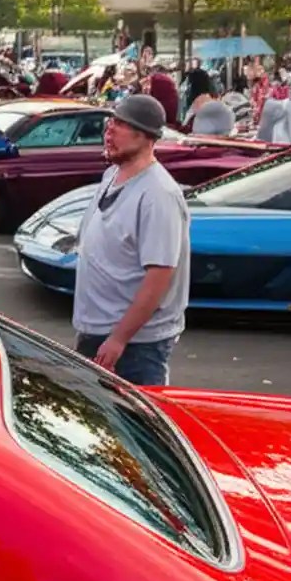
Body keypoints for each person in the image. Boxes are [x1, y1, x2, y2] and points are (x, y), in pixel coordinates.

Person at [73, 95, 190, 386]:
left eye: (121, 125)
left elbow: (159, 275)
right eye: (111, 122)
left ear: (147, 136)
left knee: (134, 414)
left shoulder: (158, 194)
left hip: (136, 346)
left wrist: (119, 338)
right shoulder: (112, 175)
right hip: (97, 330)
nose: (109, 130)